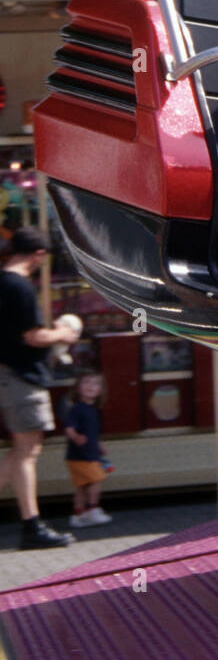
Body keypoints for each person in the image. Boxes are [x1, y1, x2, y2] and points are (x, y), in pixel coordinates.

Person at [0, 227, 81, 549]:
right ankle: (31, 526)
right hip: (21, 376)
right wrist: (62, 334)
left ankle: (31, 525)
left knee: (23, 450)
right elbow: (32, 337)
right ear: (38, 255)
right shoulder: (19, 287)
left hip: (7, 374)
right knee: (26, 452)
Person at [65, 372, 112, 527]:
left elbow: (92, 433)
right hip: (83, 456)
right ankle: (92, 510)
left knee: (82, 486)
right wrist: (76, 437)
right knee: (98, 479)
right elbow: (69, 429)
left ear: (101, 390)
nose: (91, 386)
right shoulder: (78, 409)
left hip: (80, 455)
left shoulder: (91, 410)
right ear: (78, 388)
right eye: (86, 382)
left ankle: (78, 515)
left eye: (96, 383)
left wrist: (98, 446)